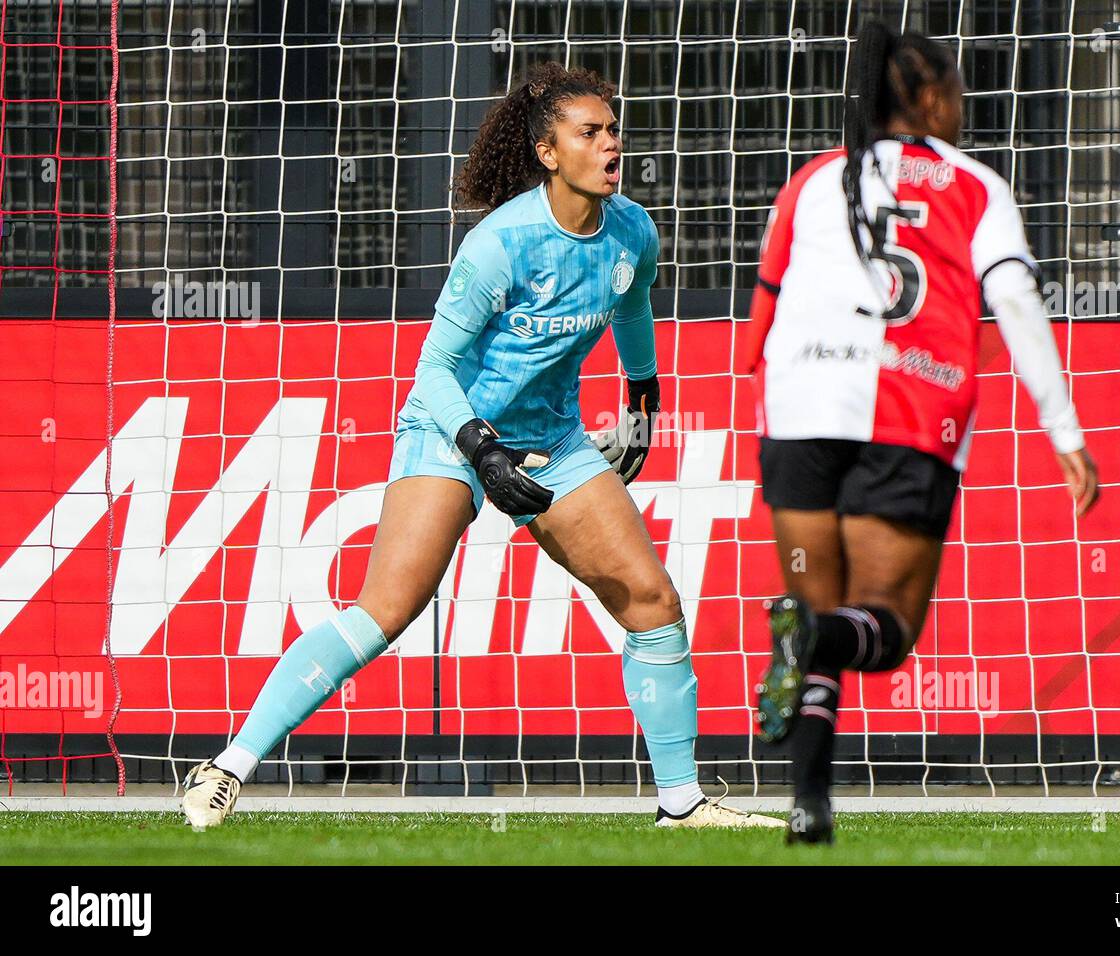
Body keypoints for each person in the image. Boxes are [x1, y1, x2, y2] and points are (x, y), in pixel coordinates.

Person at [182, 62, 781, 831]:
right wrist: (481, 449)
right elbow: (433, 371)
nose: (611, 145)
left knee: (654, 602)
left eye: (612, 130)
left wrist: (642, 394)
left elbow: (633, 305)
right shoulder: (501, 244)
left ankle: (681, 803)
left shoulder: (632, 228)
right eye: (589, 133)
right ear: (548, 152)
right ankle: (226, 766)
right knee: (383, 613)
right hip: (450, 432)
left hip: (553, 440)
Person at [747, 21, 1100, 843]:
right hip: (907, 409)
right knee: (883, 628)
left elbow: (763, 308)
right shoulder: (974, 184)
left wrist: (767, 403)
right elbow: (1013, 299)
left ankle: (809, 809)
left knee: (813, 601)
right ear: (933, 97)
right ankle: (812, 645)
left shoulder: (811, 181)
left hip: (797, 410)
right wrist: (1064, 429)